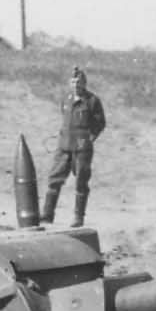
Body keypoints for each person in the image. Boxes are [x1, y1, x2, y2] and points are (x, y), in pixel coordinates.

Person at [43, 66, 106, 227]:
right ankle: (47, 215)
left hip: (81, 148)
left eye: (79, 81)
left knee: (81, 182)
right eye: (73, 81)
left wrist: (88, 139)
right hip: (64, 146)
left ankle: (78, 217)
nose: (76, 84)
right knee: (54, 180)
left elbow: (100, 123)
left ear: (84, 83)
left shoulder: (92, 101)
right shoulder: (66, 99)